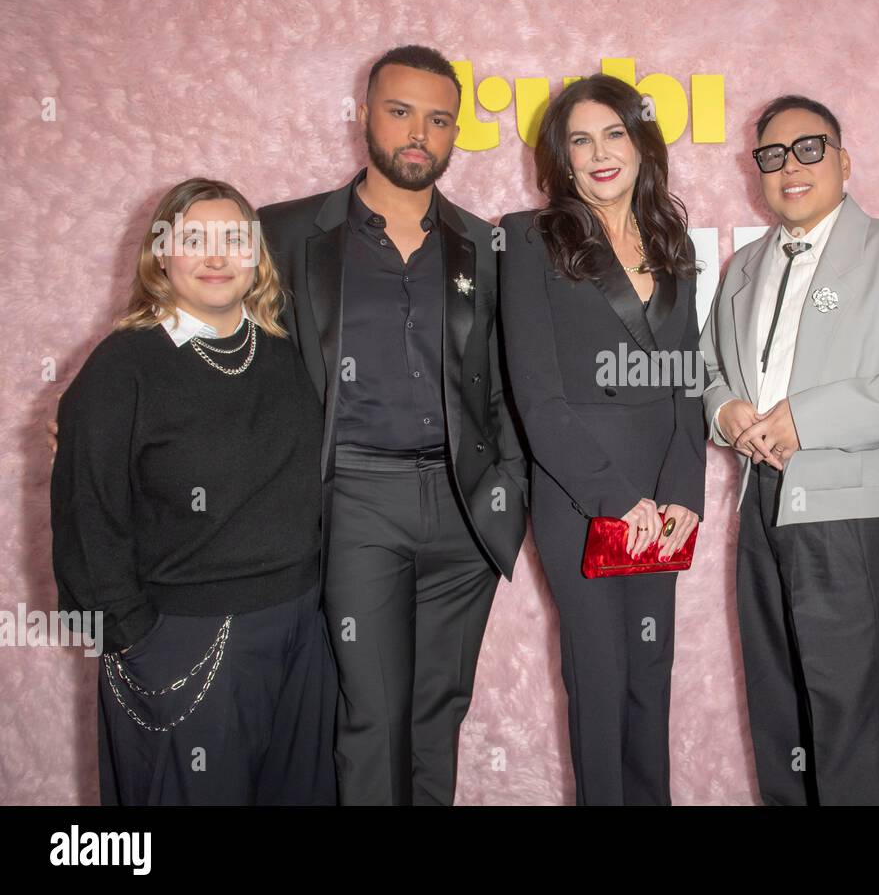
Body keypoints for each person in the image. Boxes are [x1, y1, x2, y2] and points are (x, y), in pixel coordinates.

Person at [257, 45, 529, 805]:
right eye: (401, 112)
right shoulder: (283, 234)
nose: (419, 133)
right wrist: (107, 414)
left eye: (438, 119)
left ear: (454, 132)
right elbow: (209, 340)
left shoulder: (486, 244)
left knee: (437, 714)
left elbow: (513, 382)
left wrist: (509, 485)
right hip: (355, 502)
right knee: (372, 717)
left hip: (465, 510)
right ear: (365, 116)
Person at [700, 95, 879, 805]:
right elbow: (708, 368)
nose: (792, 166)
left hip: (841, 503)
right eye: (773, 155)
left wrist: (806, 419)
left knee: (844, 706)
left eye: (810, 149)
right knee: (775, 693)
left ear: (845, 162)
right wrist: (726, 410)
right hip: (757, 497)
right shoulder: (745, 267)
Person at [50, 178, 335, 804]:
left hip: (301, 626)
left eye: (233, 239)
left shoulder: (288, 350)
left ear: (256, 255)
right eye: (193, 239)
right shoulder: (122, 366)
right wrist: (132, 638)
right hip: (183, 637)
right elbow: (87, 514)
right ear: (160, 255)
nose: (215, 257)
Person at [498, 73, 706, 805]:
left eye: (614, 133)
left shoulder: (671, 239)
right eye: (579, 141)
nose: (599, 154)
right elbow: (537, 397)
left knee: (652, 673)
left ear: (642, 143)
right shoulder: (529, 240)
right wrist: (615, 497)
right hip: (581, 494)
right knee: (599, 677)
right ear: (562, 158)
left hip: (662, 495)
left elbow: (687, 380)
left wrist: (683, 493)